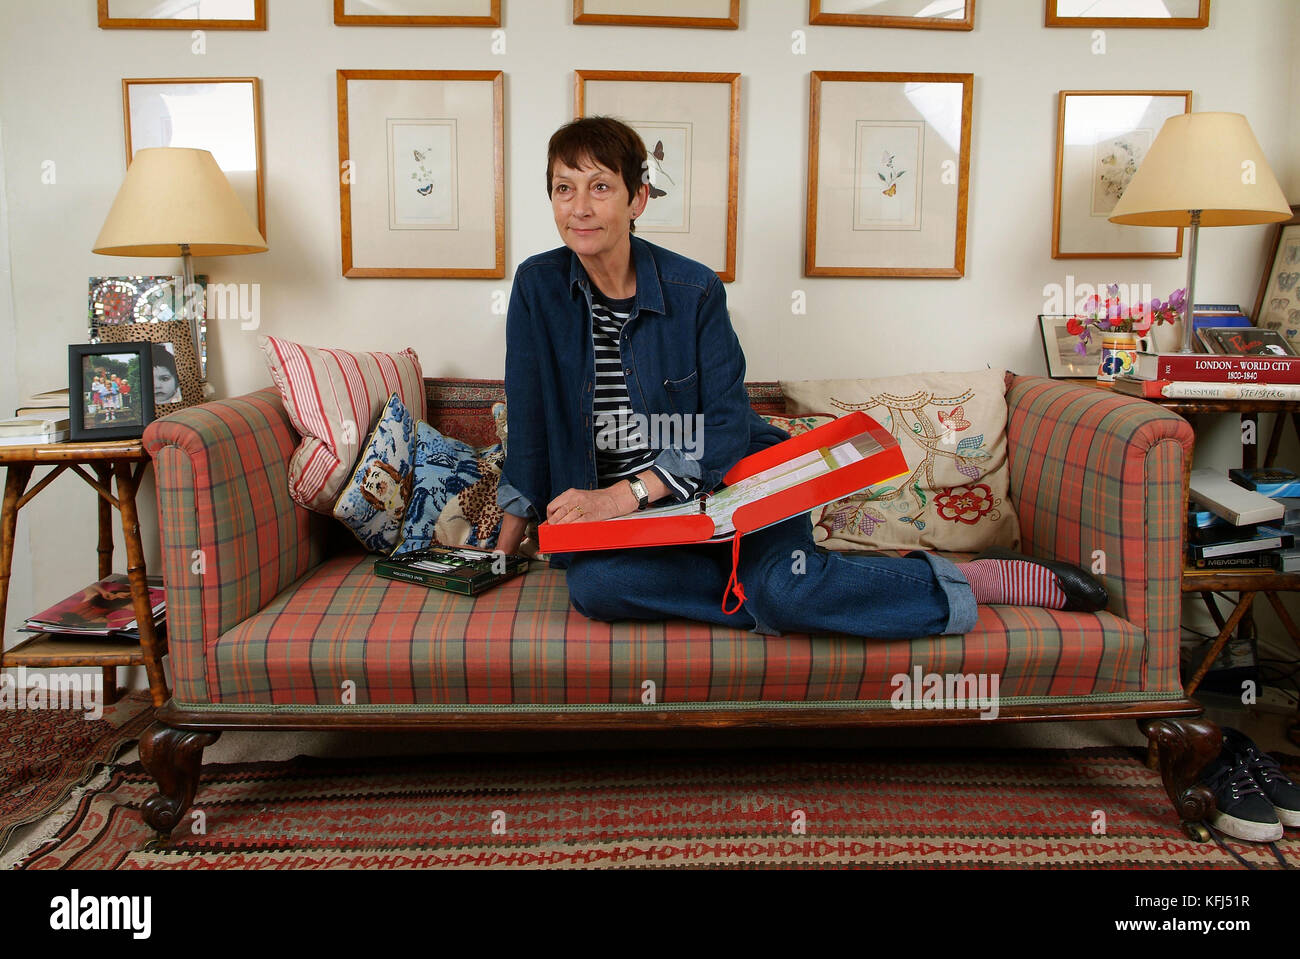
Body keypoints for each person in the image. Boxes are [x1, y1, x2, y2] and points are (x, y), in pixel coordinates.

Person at [495, 117, 1106, 639]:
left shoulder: (693, 288)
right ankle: (790, 589)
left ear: (638, 199)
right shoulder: (538, 286)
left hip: (738, 478)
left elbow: (728, 424)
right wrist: (500, 551)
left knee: (784, 592)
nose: (578, 207)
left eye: (599, 187)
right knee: (598, 588)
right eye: (563, 188)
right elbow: (527, 417)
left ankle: (969, 579)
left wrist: (622, 494)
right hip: (642, 524)